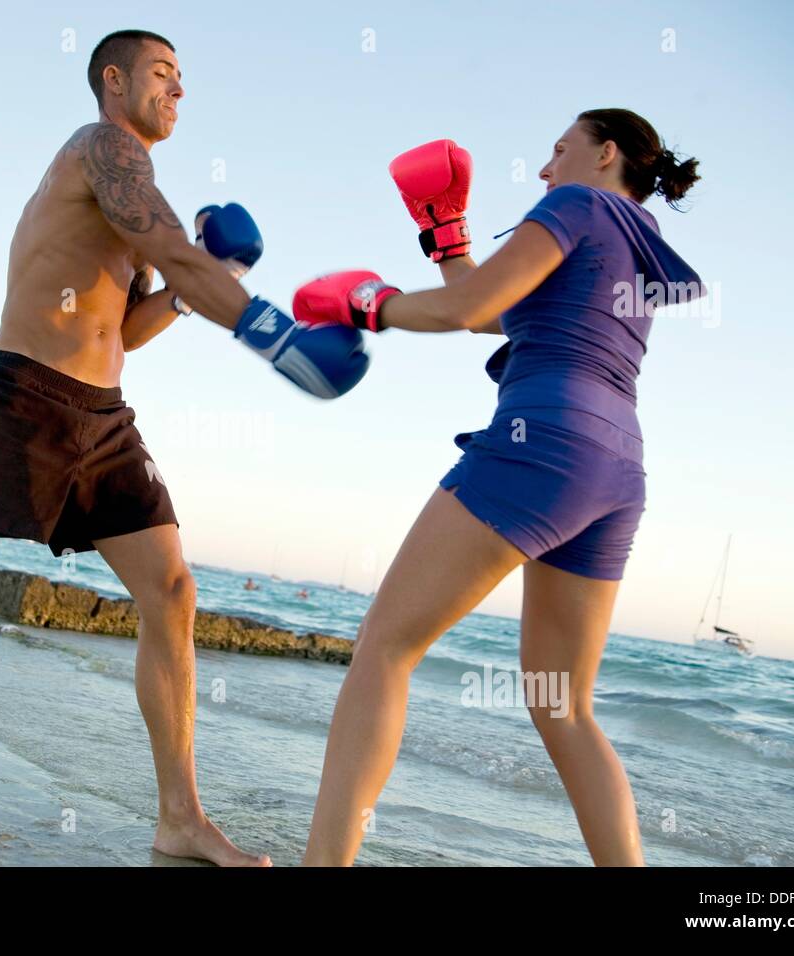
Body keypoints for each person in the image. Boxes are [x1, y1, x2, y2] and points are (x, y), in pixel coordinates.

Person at [0, 28, 368, 867]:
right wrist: (267, 327)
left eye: (182, 79)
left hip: (103, 416)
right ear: (113, 79)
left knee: (172, 590)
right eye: (164, 74)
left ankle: (180, 816)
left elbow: (125, 326)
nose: (178, 90)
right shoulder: (103, 149)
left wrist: (193, 287)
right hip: (18, 396)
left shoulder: (134, 187)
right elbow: (163, 246)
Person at [291, 109, 703, 865]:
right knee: (563, 705)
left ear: (605, 153)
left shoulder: (576, 205)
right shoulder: (635, 247)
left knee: (385, 647)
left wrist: (366, 304)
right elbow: (497, 313)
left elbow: (463, 311)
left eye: (558, 151)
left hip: (543, 441)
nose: (545, 171)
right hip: (617, 467)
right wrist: (445, 234)